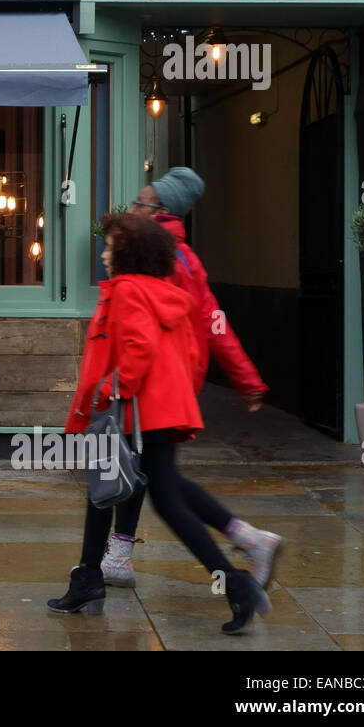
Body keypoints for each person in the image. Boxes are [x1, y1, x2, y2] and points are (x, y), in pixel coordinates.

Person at [47, 214, 271, 634]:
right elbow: (180, 352)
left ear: (129, 253)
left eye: (111, 247)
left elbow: (138, 346)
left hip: (132, 413)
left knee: (158, 501)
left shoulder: (128, 290)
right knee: (108, 493)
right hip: (155, 411)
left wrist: (114, 388)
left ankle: (236, 584)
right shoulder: (160, 291)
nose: (104, 253)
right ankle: (87, 579)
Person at [100, 167, 282, 591]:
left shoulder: (162, 256)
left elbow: (184, 326)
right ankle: (122, 554)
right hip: (166, 386)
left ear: (161, 209)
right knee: (145, 472)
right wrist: (247, 379)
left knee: (149, 477)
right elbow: (215, 321)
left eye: (140, 203)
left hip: (155, 387)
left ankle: (242, 560)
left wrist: (118, 380)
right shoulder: (176, 254)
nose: (131, 208)